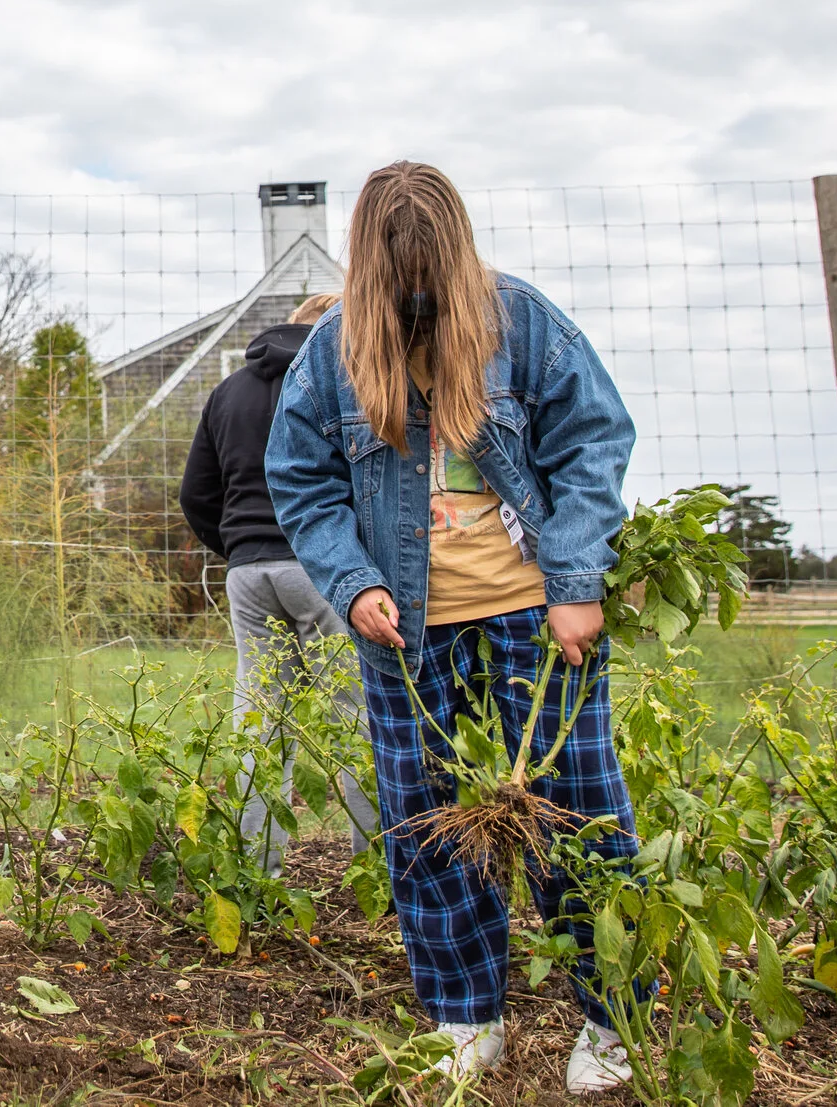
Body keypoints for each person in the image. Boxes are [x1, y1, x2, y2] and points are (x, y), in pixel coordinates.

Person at [266, 162, 640, 1094]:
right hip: (407, 633)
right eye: (403, 290)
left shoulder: (525, 324)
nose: (419, 305)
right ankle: (469, 1016)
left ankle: (611, 1015)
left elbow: (594, 440)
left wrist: (577, 581)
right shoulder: (332, 352)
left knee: (579, 816)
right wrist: (352, 585)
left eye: (432, 283)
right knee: (428, 826)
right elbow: (301, 479)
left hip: (532, 616)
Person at [178, 291, 376, 873]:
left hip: (248, 572)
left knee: (261, 718)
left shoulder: (228, 392)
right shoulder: (340, 383)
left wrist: (239, 547)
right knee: (354, 713)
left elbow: (195, 494)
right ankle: (378, 870)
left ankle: (255, 871)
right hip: (324, 569)